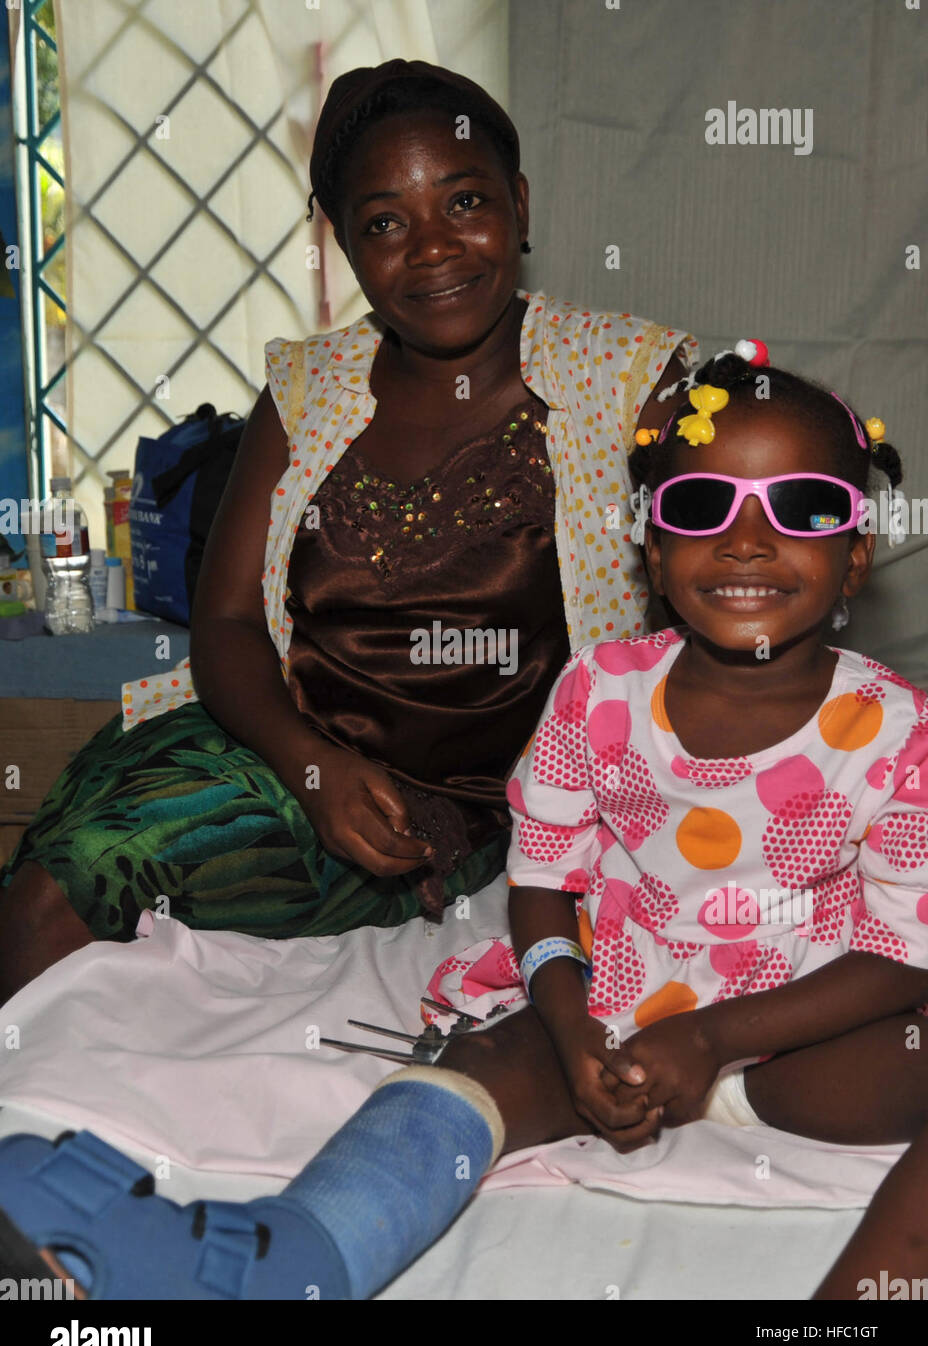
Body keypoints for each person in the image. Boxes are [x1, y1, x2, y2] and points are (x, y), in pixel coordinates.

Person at [2, 343, 927, 1300]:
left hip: (801, 1021)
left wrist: (715, 1044)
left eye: (802, 509)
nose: (746, 540)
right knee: (483, 1063)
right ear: (652, 549)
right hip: (617, 996)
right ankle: (292, 1253)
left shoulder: (898, 731)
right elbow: (540, 885)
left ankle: (735, 1100)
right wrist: (571, 1031)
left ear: (856, 552)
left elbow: (904, 951)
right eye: (700, 509)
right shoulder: (600, 694)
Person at [0, 58, 693, 1004]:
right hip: (272, 745)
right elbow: (232, 625)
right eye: (384, 223)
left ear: (521, 206)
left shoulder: (624, 379)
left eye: (465, 202)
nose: (434, 248)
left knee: (75, 883)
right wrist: (311, 763)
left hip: (457, 813)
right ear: (343, 249)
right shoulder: (310, 387)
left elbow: (724, 588)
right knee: (52, 885)